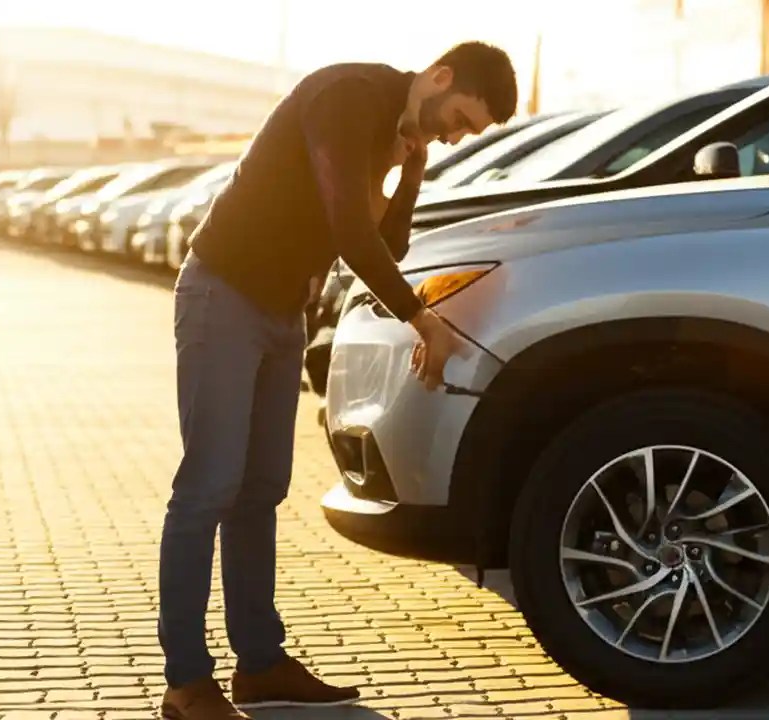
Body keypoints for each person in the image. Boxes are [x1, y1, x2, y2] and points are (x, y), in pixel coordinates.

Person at [157, 42, 517, 720]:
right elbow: (350, 229)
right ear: (439, 78)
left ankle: (259, 664)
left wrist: (412, 171)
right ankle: (185, 682)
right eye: (460, 118)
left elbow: (394, 244)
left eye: (467, 132)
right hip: (222, 298)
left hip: (280, 308)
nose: (456, 134)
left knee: (260, 489)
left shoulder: (397, 133)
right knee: (208, 485)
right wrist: (421, 319)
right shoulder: (349, 96)